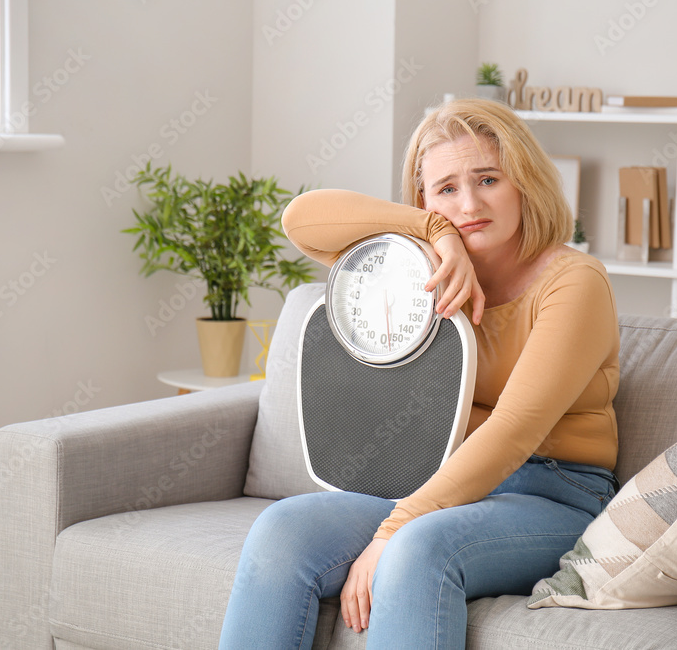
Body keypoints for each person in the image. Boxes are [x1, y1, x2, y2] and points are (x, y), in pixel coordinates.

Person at [218, 98, 620, 649]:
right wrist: (433, 229)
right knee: (281, 531)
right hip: (436, 481)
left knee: (418, 547)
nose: (470, 203)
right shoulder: (422, 272)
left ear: (524, 183)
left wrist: (392, 530)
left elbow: (513, 431)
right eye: (446, 189)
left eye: (488, 179)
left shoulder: (575, 282)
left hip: (555, 493)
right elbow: (301, 221)